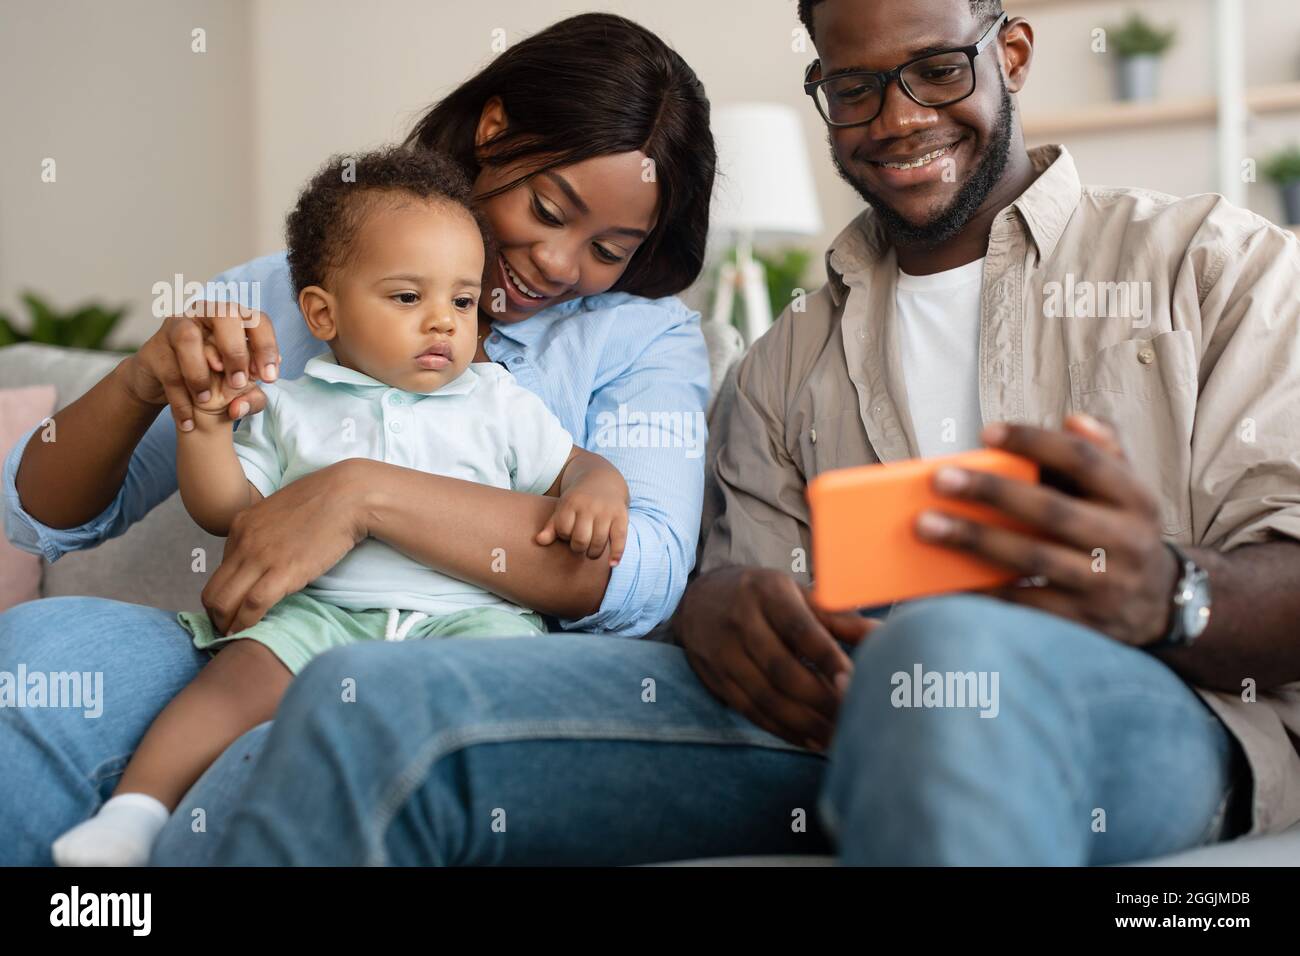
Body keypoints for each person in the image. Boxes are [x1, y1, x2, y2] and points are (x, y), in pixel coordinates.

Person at [206, 0, 1300, 866]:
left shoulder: (1211, 265)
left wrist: (1163, 589)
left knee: (946, 652)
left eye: (937, 68)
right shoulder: (781, 359)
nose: (899, 115)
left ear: (1009, 52)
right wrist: (720, 603)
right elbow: (694, 581)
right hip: (826, 721)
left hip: (1155, 705)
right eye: (854, 88)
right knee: (378, 703)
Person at [0, 12, 712, 866]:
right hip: (291, 627)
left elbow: (638, 573)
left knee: (336, 724)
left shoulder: (636, 340)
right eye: (548, 207)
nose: (561, 264)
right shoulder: (292, 288)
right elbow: (47, 518)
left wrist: (361, 496)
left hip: (467, 648)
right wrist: (144, 383)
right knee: (46, 651)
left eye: (608, 248)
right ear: (495, 130)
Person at [48, 147, 632, 866]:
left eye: (462, 300)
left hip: (472, 617)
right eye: (407, 298)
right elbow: (229, 508)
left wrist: (599, 488)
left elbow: (569, 466)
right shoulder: (291, 406)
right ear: (322, 312)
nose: (444, 324)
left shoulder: (498, 402)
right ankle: (133, 817)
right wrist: (203, 428)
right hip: (320, 616)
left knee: (510, 691)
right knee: (231, 686)